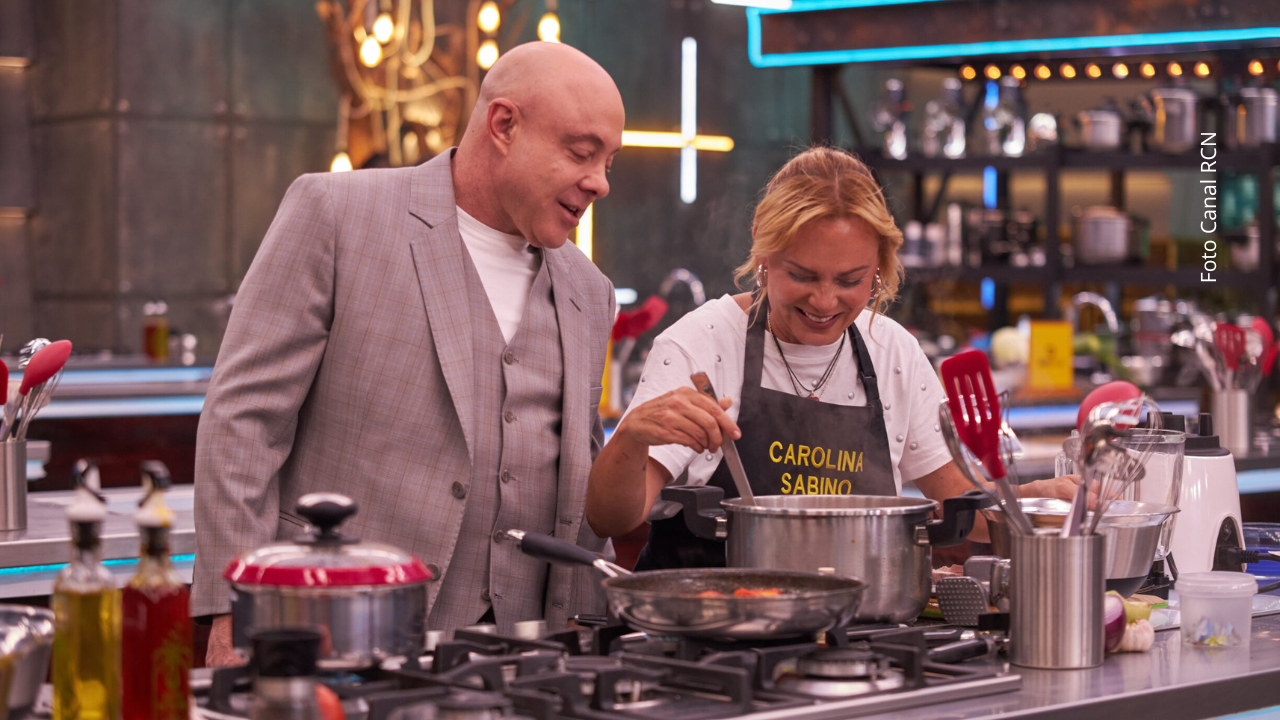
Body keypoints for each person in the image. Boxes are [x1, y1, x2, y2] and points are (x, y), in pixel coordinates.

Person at [193, 41, 625, 665]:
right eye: (582, 154)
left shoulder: (590, 290)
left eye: (611, 162)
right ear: (504, 125)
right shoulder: (336, 214)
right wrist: (238, 611)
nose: (600, 183)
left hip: (529, 656)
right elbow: (242, 423)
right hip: (335, 629)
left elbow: (574, 470)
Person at [586, 146, 1082, 568]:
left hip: (860, 630)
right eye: (802, 275)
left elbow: (958, 504)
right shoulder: (703, 345)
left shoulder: (893, 352)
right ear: (763, 246)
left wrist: (1032, 503)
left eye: (850, 281)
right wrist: (631, 437)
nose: (825, 302)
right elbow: (612, 519)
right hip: (712, 632)